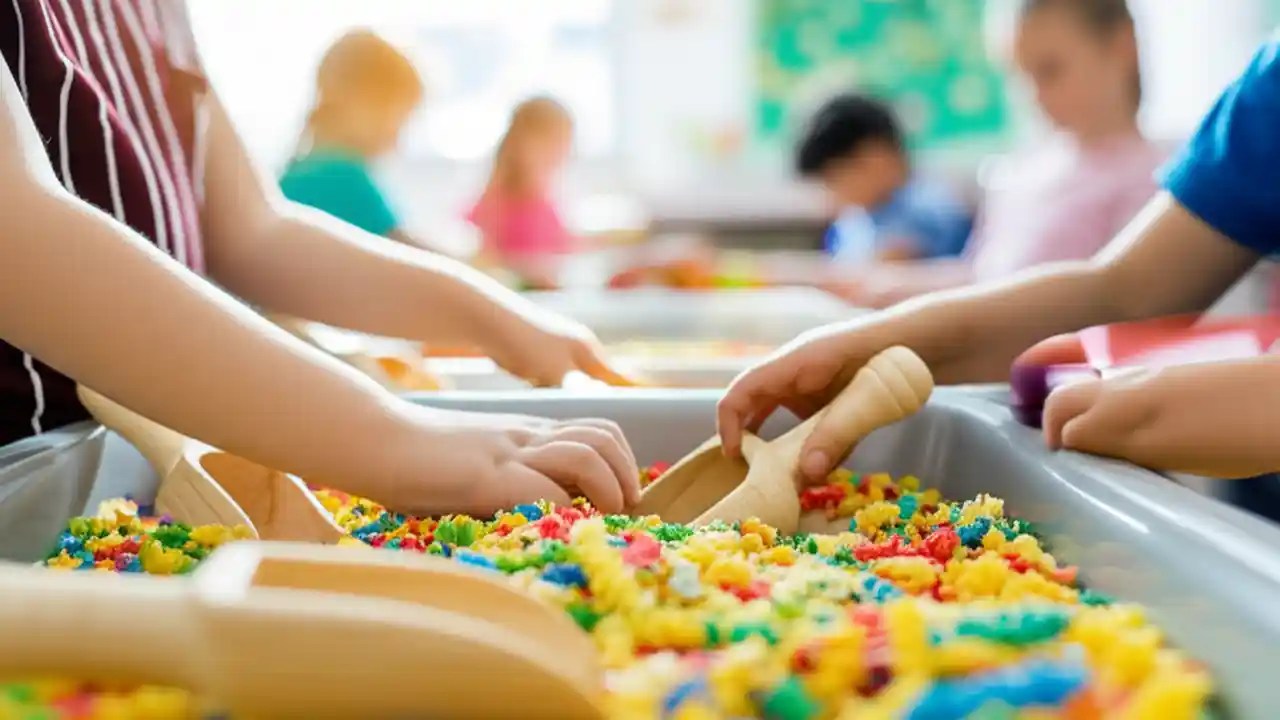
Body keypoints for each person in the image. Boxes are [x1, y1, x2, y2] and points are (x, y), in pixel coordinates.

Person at [0, 2, 637, 518]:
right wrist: (395, 440)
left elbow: (255, 233)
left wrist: (488, 313)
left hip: (147, 463)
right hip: (33, 480)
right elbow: (19, 238)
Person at [717, 32, 1280, 495]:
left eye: (1051, 69)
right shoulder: (1265, 98)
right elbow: (1126, 290)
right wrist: (878, 341)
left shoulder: (1130, 167)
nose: (1036, 96)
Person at [829, 0, 1165, 309]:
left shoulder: (1151, 183)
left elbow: (1116, 306)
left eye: (1050, 70)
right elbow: (980, 277)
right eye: (1021, 76)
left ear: (1121, 45)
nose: (1035, 96)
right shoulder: (1021, 173)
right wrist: (890, 287)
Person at [280, 29, 443, 251]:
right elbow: (415, 257)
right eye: (400, 117)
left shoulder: (296, 171)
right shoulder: (342, 176)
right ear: (365, 108)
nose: (399, 136)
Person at [796, 93, 972, 264]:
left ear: (874, 157)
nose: (831, 194)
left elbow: (887, 265)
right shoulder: (854, 221)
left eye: (833, 179)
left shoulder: (927, 209)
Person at [467, 96, 578, 290]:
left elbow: (563, 248)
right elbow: (483, 264)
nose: (560, 154)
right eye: (552, 144)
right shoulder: (492, 207)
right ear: (520, 145)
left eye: (564, 144)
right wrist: (527, 272)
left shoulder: (546, 206)